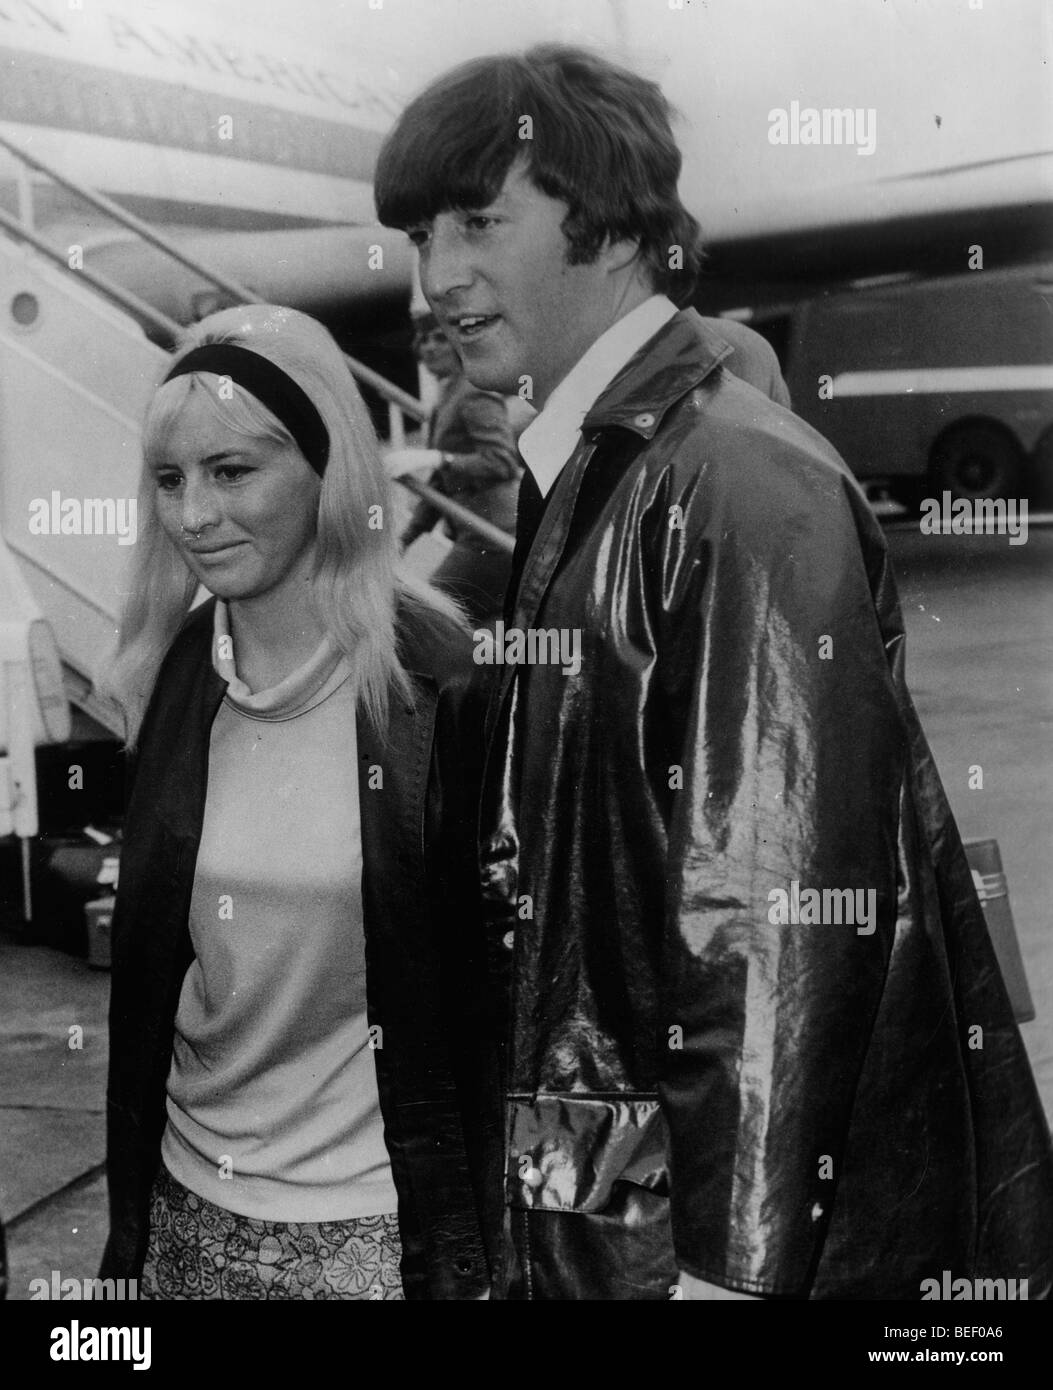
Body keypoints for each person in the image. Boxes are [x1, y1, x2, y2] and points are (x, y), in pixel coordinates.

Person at [375, 44, 1053, 1300]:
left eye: (479, 220)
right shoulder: (595, 468)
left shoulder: (735, 485)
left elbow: (772, 921)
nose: (436, 276)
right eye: (420, 234)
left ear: (615, 225)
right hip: (613, 1184)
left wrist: (727, 1276)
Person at [98, 303, 493, 1300]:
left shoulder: (440, 683)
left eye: (234, 472)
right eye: (171, 479)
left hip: (382, 1234)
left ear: (330, 471)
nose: (194, 515)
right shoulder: (166, 675)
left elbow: (518, 995)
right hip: (188, 1215)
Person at [394, 309, 521, 625]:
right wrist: (405, 540)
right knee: (481, 633)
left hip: (492, 537)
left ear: (459, 345)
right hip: (477, 536)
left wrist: (438, 458)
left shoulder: (474, 391)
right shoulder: (448, 394)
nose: (429, 348)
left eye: (440, 338)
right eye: (423, 340)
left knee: (424, 618)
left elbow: (502, 460)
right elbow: (440, 485)